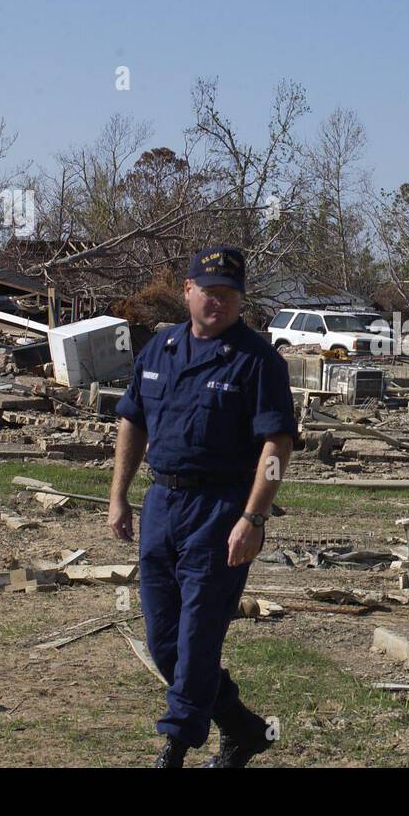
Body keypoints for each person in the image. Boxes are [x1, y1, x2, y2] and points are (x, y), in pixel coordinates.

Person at [108, 245, 297, 768]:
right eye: (208, 292)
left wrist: (254, 517)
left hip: (220, 512)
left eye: (229, 295)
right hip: (161, 506)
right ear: (187, 291)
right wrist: (119, 495)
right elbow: (133, 422)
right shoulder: (160, 349)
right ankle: (243, 729)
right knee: (163, 639)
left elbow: (276, 447)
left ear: (240, 300)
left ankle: (175, 745)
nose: (218, 303)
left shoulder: (258, 361)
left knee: (196, 638)